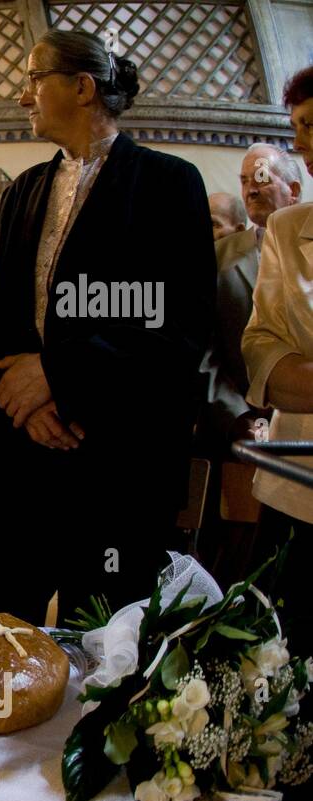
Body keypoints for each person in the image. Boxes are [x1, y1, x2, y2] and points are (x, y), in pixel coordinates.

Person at [0, 28, 214, 626]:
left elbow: (179, 325)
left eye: (34, 79)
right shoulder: (24, 190)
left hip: (114, 454)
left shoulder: (167, 183)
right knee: (6, 634)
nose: (23, 96)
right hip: (24, 454)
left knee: (106, 643)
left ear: (82, 87)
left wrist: (58, 375)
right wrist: (26, 404)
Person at [198, 145, 304, 580]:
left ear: (293, 190)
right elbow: (203, 352)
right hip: (232, 438)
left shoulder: (306, 250)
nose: (252, 189)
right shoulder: (219, 259)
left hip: (299, 439)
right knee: (231, 570)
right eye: (245, 181)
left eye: (262, 177)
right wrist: (239, 418)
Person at [241, 64, 313, 656]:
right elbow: (261, 349)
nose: (301, 144)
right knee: (279, 661)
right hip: (296, 487)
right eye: (297, 127)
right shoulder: (288, 233)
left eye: (312, 125)